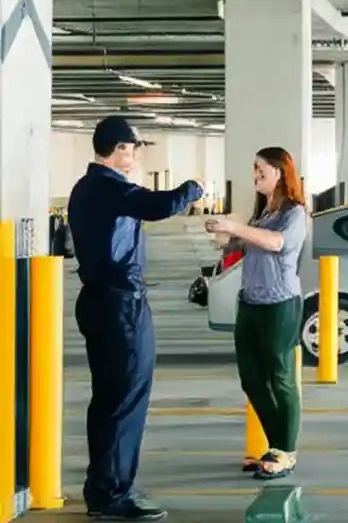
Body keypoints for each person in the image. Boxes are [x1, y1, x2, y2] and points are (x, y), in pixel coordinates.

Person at [68, 116, 204, 521]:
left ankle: (105, 486)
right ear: (120, 149)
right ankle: (111, 494)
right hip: (119, 305)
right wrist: (193, 189)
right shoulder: (110, 186)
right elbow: (158, 205)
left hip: (100, 301)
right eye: (133, 148)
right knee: (124, 400)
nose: (136, 155)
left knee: (110, 399)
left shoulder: (84, 188)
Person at [204, 147, 308, 480]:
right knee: (251, 378)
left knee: (280, 377)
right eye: (254, 169)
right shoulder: (263, 214)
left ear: (280, 172)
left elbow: (276, 243)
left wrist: (236, 226)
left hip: (280, 305)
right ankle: (277, 444)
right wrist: (223, 235)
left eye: (261, 169)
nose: (256, 174)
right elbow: (237, 245)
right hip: (250, 303)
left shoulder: (294, 214)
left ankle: (285, 450)